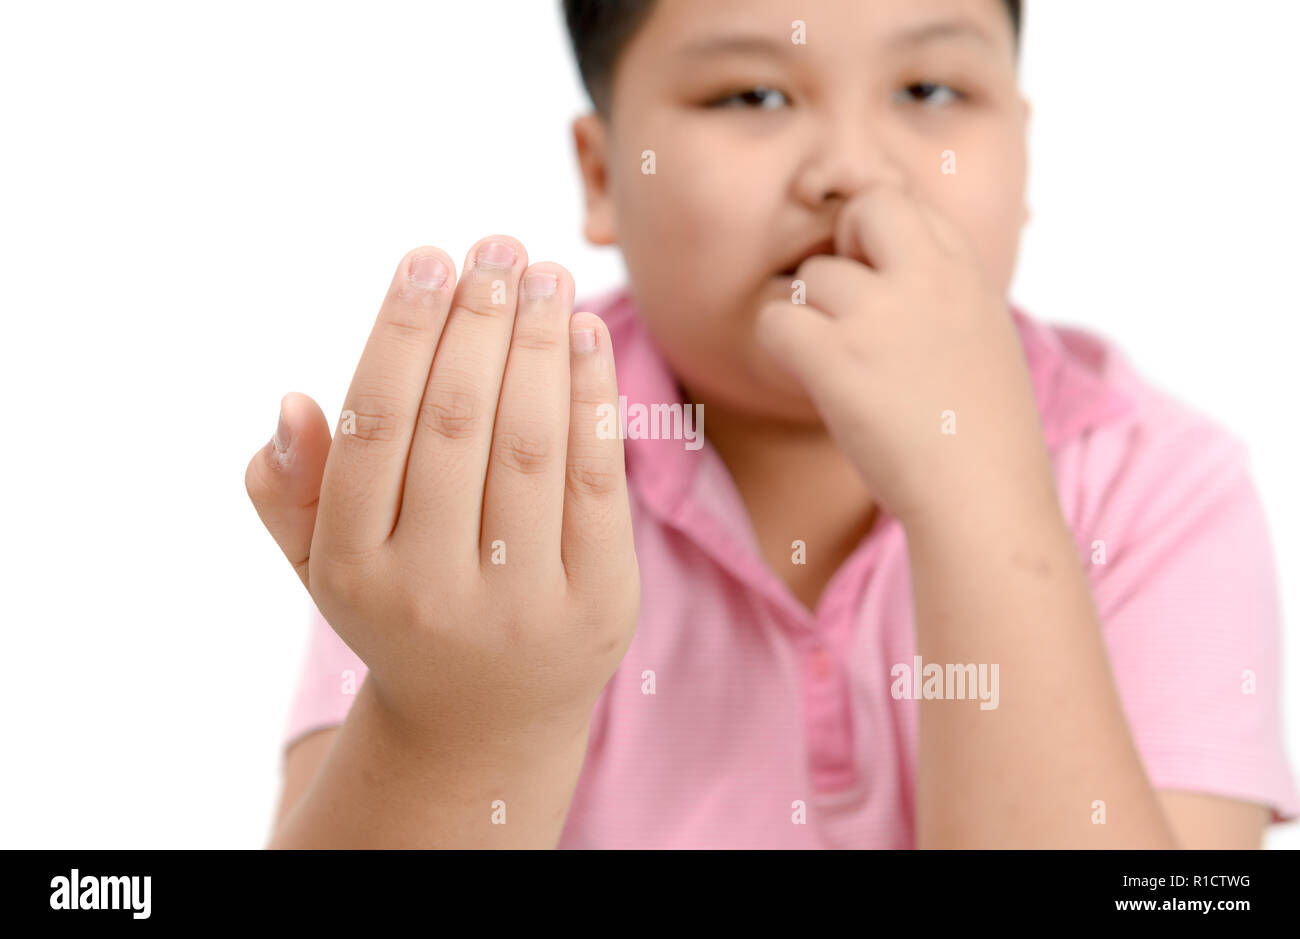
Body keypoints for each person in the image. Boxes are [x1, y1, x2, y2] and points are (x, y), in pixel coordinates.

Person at [244, 0, 1298, 848]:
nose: (850, 166)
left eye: (931, 88)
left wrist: (978, 490)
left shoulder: (1159, 487)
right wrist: (455, 721)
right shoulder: (500, 462)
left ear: (1022, 154)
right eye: (751, 93)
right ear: (605, 173)